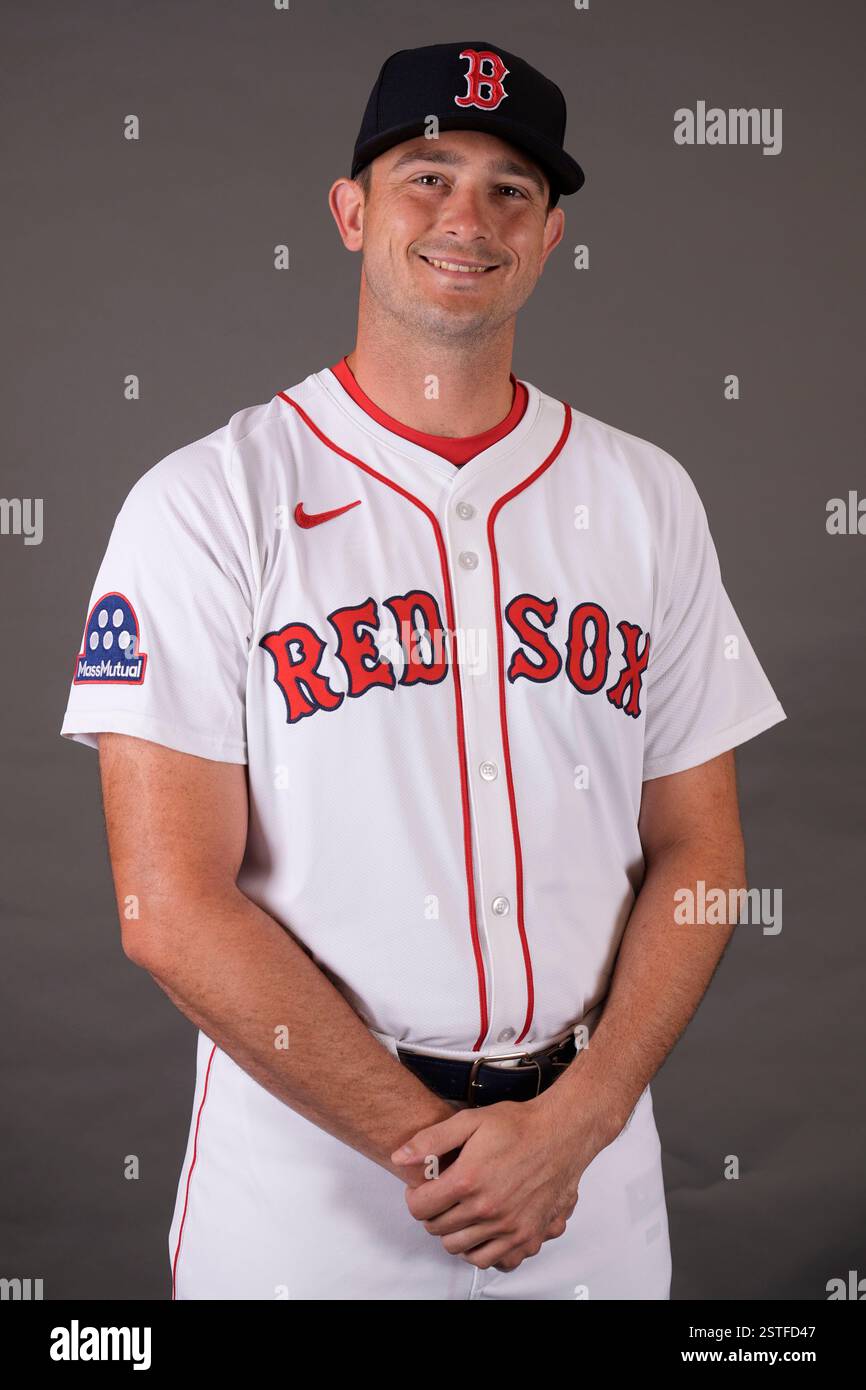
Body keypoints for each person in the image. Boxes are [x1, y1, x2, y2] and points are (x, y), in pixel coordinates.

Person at [60, 40, 786, 1300]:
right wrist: (435, 1146)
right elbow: (168, 905)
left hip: (585, 1177)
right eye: (427, 174)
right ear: (350, 212)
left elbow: (703, 854)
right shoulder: (205, 501)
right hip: (307, 1185)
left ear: (551, 236)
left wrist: (576, 1124)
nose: (467, 217)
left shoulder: (645, 498)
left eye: (511, 188)